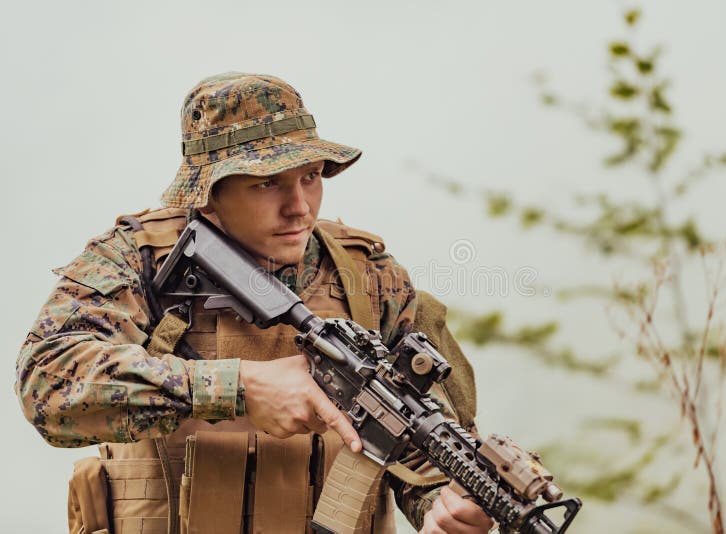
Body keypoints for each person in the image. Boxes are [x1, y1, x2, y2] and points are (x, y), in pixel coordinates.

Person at [15, 72, 493, 534]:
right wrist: (238, 388)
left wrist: (441, 508)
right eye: (268, 183)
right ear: (207, 195)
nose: (299, 207)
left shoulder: (368, 277)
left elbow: (424, 442)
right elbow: (47, 383)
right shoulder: (136, 260)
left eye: (311, 176)